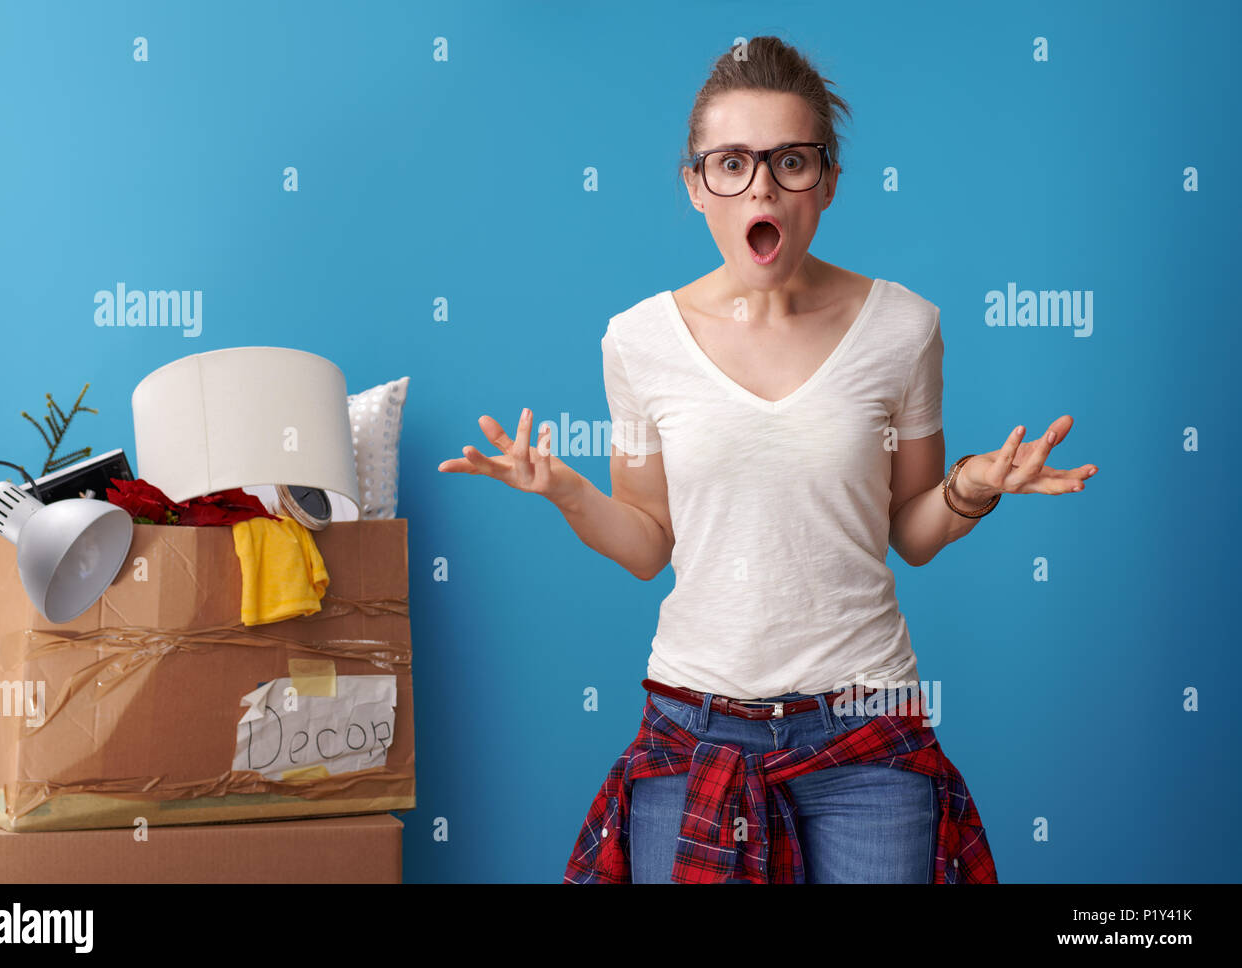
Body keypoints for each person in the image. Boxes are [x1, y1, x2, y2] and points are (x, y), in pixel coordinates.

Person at [437, 36, 1098, 883]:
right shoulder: (638, 341)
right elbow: (647, 544)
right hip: (695, 726)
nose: (761, 187)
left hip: (868, 724)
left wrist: (972, 486)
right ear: (695, 184)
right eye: (732, 164)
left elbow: (913, 530)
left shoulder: (904, 327)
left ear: (827, 181)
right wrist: (566, 491)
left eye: (790, 161)